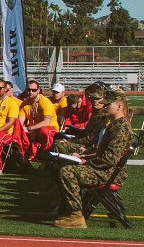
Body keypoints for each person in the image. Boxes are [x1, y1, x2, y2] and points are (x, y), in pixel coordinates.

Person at [54, 90, 135, 229]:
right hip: (105, 170)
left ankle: (76, 216)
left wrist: (86, 162)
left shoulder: (120, 129)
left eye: (108, 104)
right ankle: (72, 211)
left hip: (107, 173)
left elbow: (109, 159)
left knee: (66, 172)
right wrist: (84, 157)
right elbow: (103, 153)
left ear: (119, 107)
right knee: (67, 166)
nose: (104, 107)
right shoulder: (116, 125)